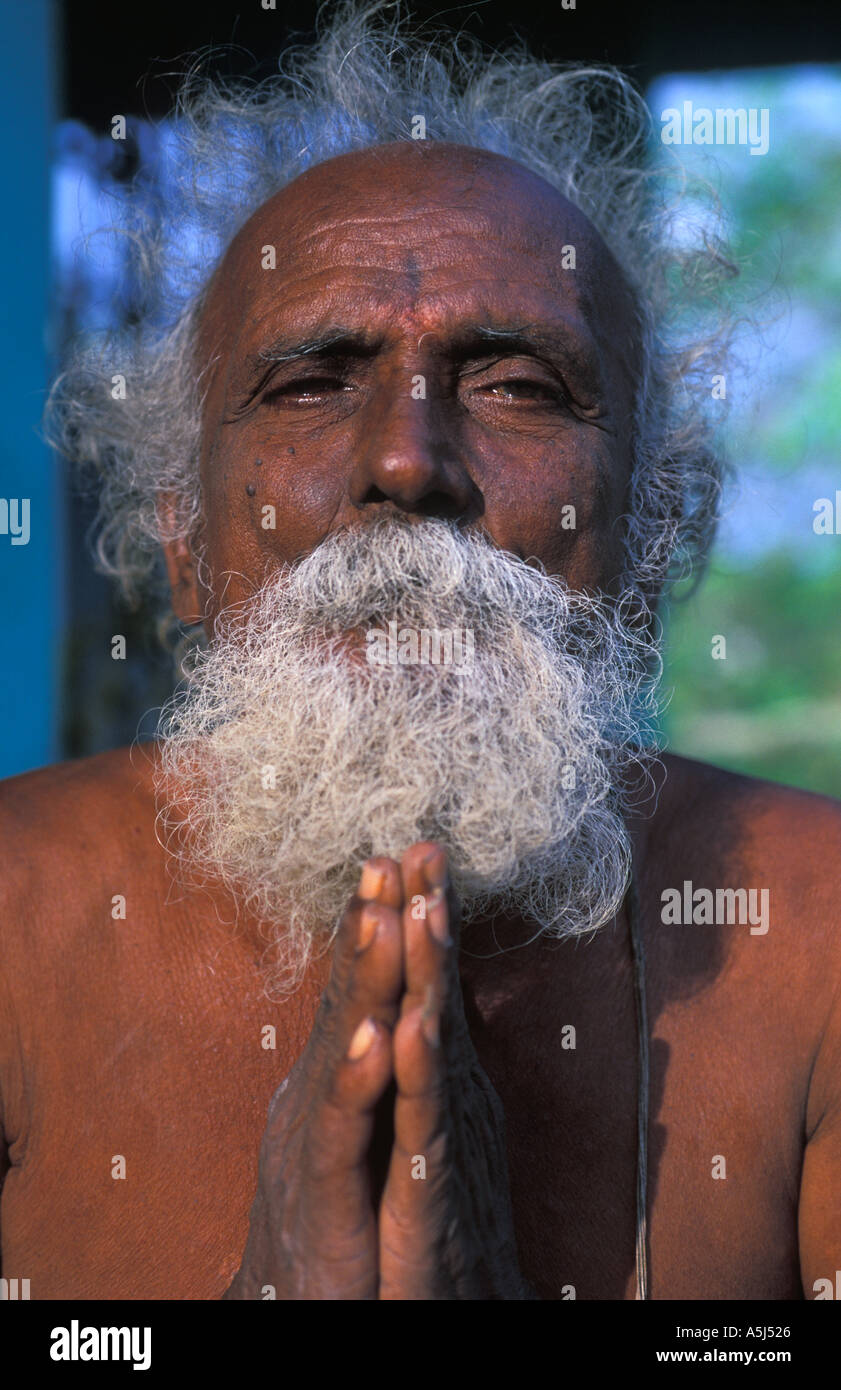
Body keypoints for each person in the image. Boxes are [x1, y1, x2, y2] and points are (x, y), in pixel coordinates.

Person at [1, 2, 839, 1300]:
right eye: (310, 382)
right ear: (178, 530)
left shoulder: (816, 926)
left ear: (651, 526)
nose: (405, 462)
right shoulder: (15, 912)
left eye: (512, 384)